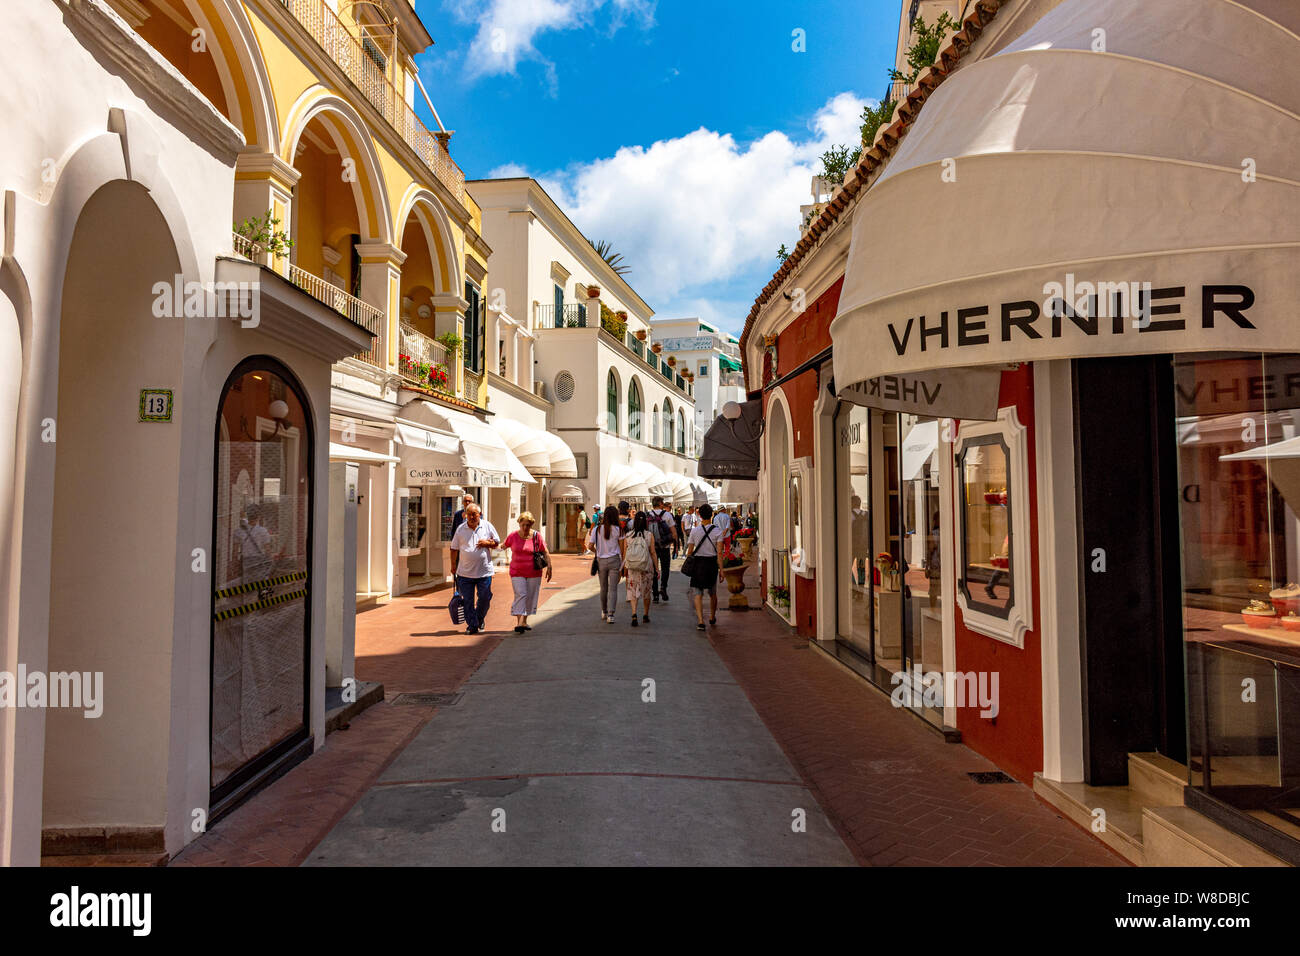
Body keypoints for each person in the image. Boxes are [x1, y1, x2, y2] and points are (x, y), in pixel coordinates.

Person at [449, 503, 499, 635]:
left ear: (479, 515)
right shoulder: (460, 529)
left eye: (474, 514)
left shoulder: (487, 526)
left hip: (484, 572)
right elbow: (454, 548)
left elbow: (497, 542)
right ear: (465, 515)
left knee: (485, 597)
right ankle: (472, 625)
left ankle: (479, 618)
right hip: (465, 573)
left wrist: (487, 543)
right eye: (469, 514)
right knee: (468, 601)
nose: (471, 517)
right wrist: (453, 565)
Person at [504, 511, 551, 633]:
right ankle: (519, 622)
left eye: (528, 525)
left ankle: (524, 621)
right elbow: (502, 546)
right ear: (519, 523)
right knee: (521, 594)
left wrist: (549, 567)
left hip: (533, 572)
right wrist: (489, 545)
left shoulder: (536, 536)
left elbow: (545, 551)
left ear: (531, 525)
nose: (525, 527)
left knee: (530, 596)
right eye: (523, 525)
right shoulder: (513, 536)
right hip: (516, 571)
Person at [684, 503, 723, 631]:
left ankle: (701, 621)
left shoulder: (695, 531)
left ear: (699, 515)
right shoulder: (718, 531)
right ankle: (712, 616)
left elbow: (689, 552)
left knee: (698, 593)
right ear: (712, 515)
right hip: (711, 563)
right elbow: (719, 553)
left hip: (698, 564)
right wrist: (721, 570)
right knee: (712, 593)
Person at [587, 505, 625, 624]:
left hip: (601, 560)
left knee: (603, 588)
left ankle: (604, 611)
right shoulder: (619, 530)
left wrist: (598, 552)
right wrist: (623, 564)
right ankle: (611, 614)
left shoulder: (596, 529)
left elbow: (590, 546)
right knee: (613, 588)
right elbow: (623, 548)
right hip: (614, 560)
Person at [623, 511, 656, 627]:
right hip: (646, 566)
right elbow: (653, 552)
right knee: (647, 591)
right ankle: (646, 615)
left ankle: (634, 614)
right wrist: (657, 568)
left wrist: (625, 569)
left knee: (633, 590)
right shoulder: (649, 535)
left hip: (632, 567)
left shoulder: (628, 535)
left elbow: (624, 553)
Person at [646, 495, 677, 603]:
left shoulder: (648, 515)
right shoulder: (667, 515)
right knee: (665, 568)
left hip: (652, 547)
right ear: (660, 504)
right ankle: (663, 587)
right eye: (662, 503)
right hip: (665, 546)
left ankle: (655, 594)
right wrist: (675, 545)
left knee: (654, 569)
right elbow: (674, 532)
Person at [236, 502, 273, 584]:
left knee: (247, 585)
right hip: (259, 561)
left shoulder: (239, 531)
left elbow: (235, 552)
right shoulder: (263, 531)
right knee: (258, 586)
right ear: (259, 516)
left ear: (247, 515)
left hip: (245, 561)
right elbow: (268, 550)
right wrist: (271, 562)